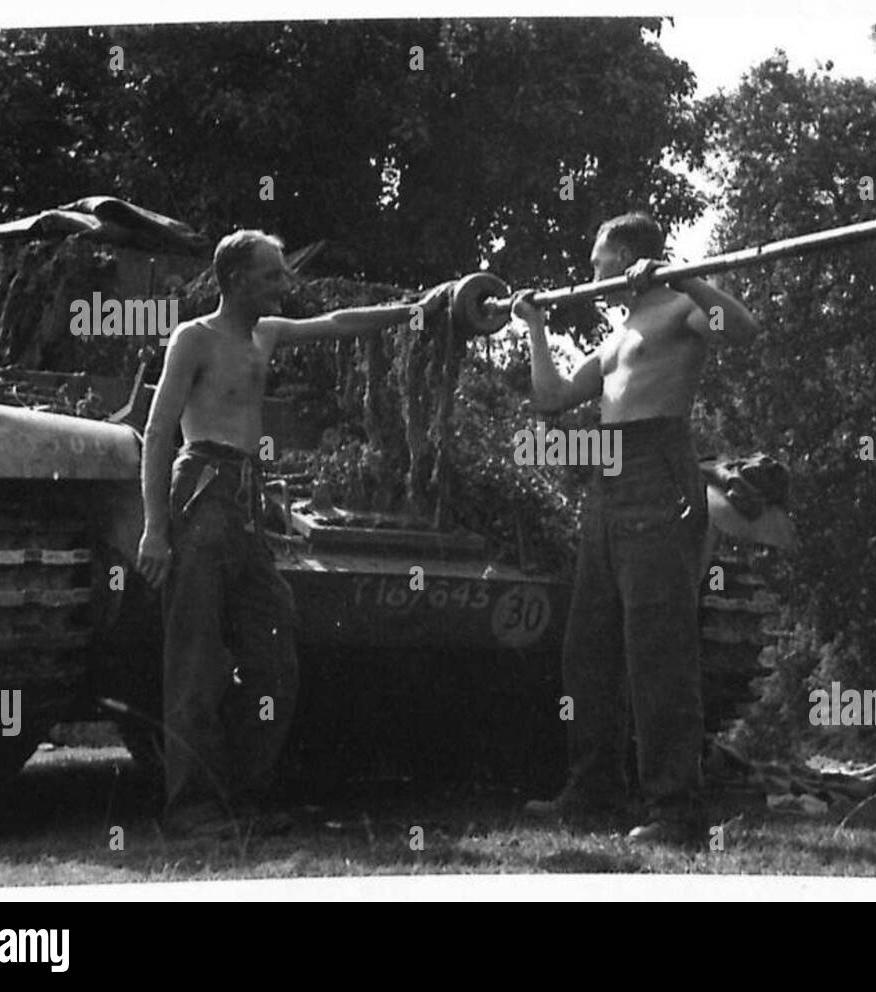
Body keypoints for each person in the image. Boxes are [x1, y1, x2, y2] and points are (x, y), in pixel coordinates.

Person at [137, 229, 449, 838]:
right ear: (235, 281)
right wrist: (154, 527)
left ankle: (241, 796)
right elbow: (157, 431)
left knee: (273, 649)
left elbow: (338, 322)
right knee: (195, 659)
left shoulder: (267, 334)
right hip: (200, 489)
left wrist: (420, 307)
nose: (286, 285)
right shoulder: (193, 338)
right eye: (273, 275)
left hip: (250, 500)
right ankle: (191, 810)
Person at [512, 212, 759, 845]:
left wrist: (690, 278)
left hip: (659, 470)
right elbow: (551, 397)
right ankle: (593, 790)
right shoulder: (618, 334)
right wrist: (536, 328)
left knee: (657, 648)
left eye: (599, 261)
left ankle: (675, 809)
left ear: (627, 257)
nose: (591, 274)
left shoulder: (679, 308)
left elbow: (747, 330)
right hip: (609, 474)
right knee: (588, 644)